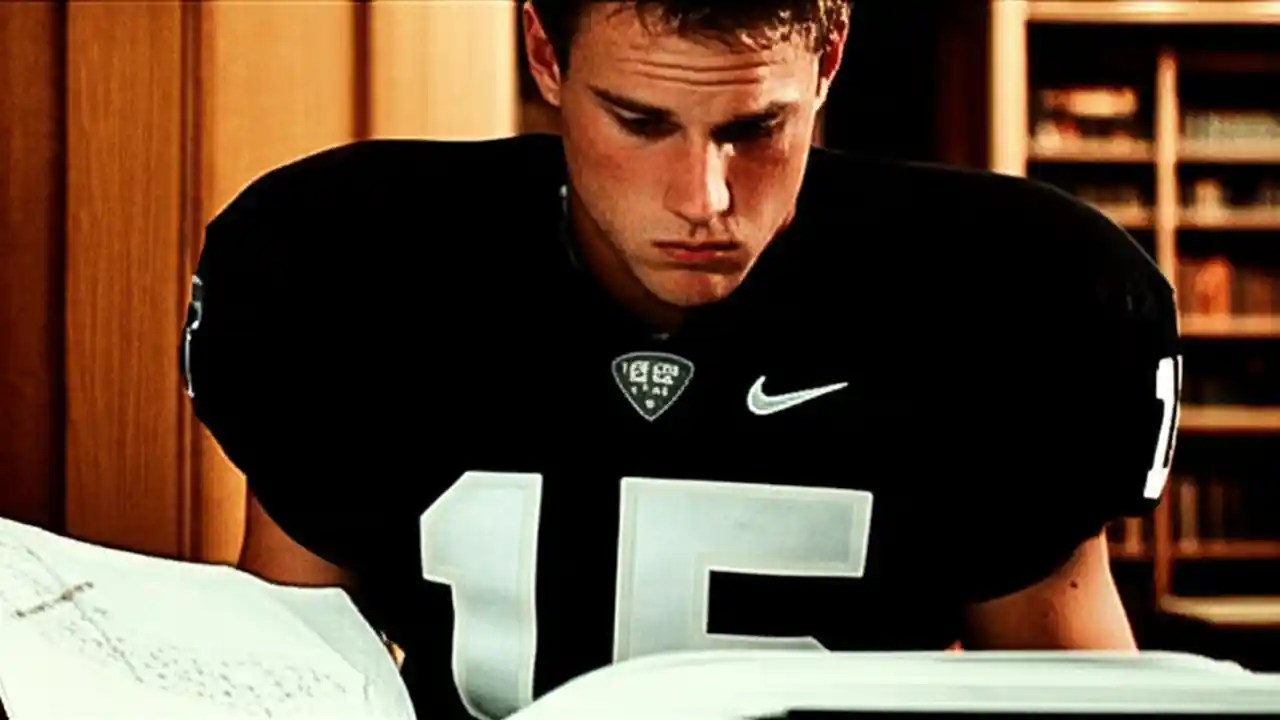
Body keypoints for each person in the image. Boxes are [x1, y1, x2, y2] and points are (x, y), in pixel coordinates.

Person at [181, 1, 1183, 718]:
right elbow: (288, 672)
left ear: (828, 58)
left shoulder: (996, 295)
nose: (702, 196)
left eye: (754, 127)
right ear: (543, 51)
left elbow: (1067, 699)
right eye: (641, 121)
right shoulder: (355, 260)